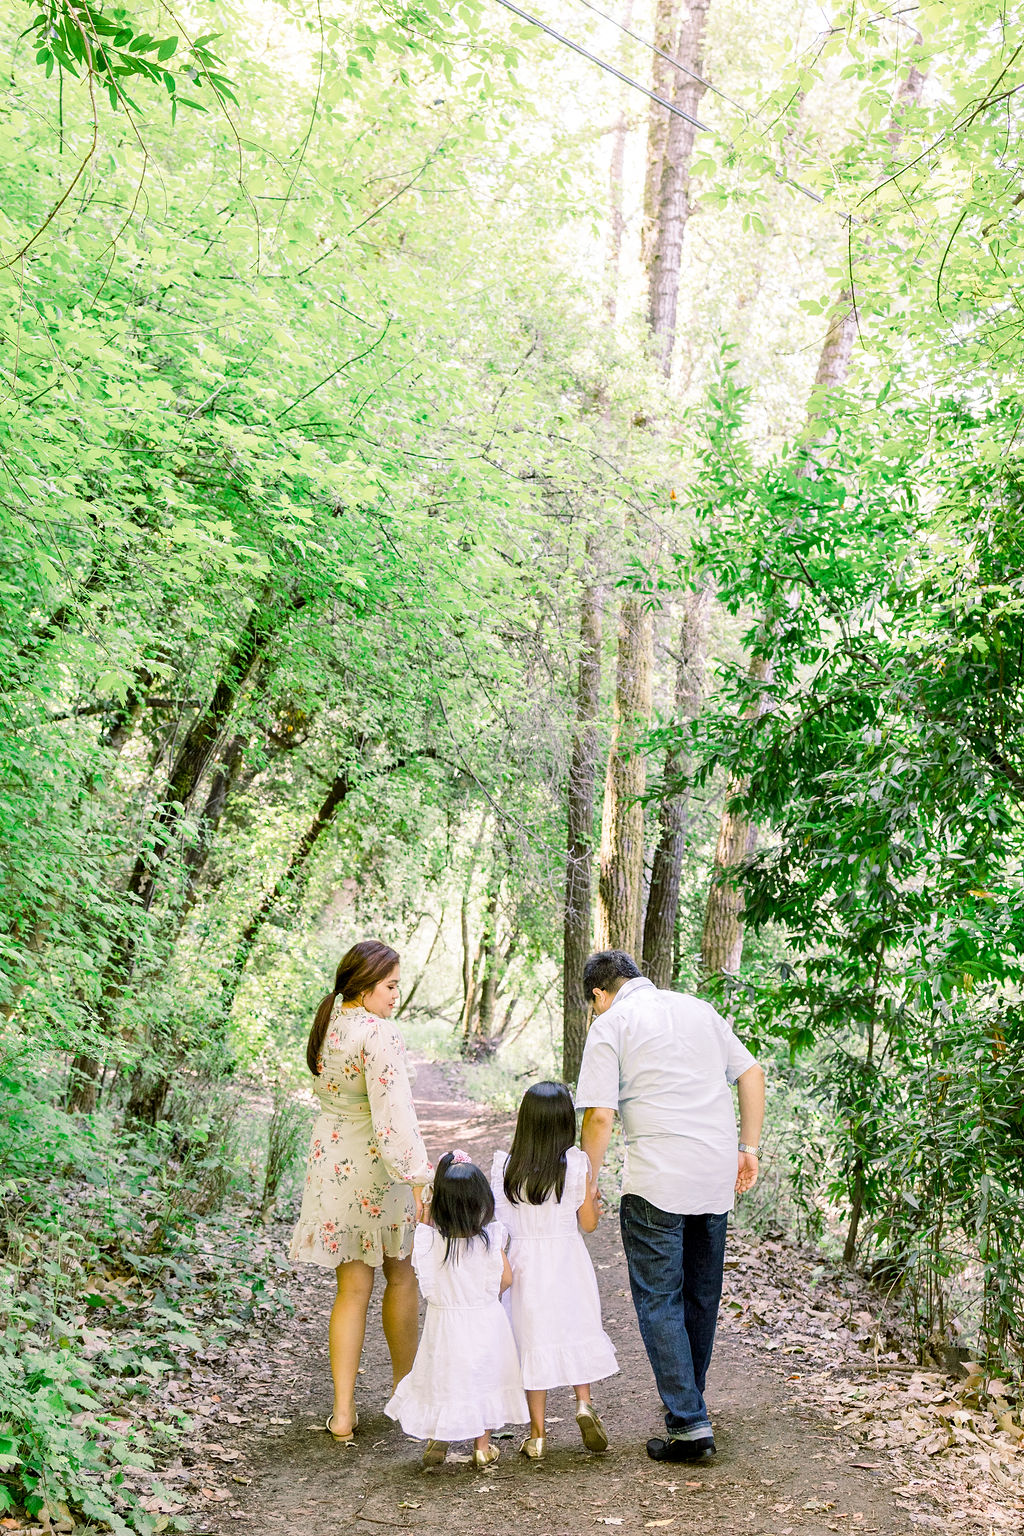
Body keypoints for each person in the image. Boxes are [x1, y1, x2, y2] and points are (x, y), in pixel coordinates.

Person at [575, 950, 765, 1465]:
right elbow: (752, 1074)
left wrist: (586, 1187)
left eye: (593, 1005)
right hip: (713, 1173)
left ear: (599, 994)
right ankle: (691, 1409)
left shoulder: (611, 1024)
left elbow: (598, 1118)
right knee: (700, 1295)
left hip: (657, 1178)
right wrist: (747, 1149)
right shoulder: (698, 1009)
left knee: (660, 1298)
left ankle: (687, 1421)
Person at [289, 939, 431, 1444]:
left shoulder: (329, 1021)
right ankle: (404, 1394)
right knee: (401, 1278)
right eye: (391, 986)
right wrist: (420, 1176)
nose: (397, 995)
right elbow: (393, 1120)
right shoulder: (378, 1033)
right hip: (377, 1169)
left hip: (332, 1164)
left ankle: (343, 1413)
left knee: (350, 1290)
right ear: (368, 985)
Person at [490, 1081, 618, 1459]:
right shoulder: (577, 1165)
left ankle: (538, 1434)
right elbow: (589, 1224)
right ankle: (583, 1403)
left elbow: (500, 1224)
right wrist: (594, 1202)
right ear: (565, 1123)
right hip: (568, 1260)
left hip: (526, 1263)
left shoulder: (504, 1168)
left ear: (524, 1122)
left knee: (532, 1341)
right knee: (575, 1327)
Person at [385, 1151, 528, 1467]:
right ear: (482, 1202)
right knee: (485, 1381)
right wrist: (486, 1296)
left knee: (444, 1379)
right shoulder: (490, 1239)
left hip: (445, 1329)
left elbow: (423, 1276)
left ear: (440, 1207)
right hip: (486, 1323)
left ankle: (441, 1435)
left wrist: (425, 1217)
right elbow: (506, 1278)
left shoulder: (430, 1243)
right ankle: (482, 1446)